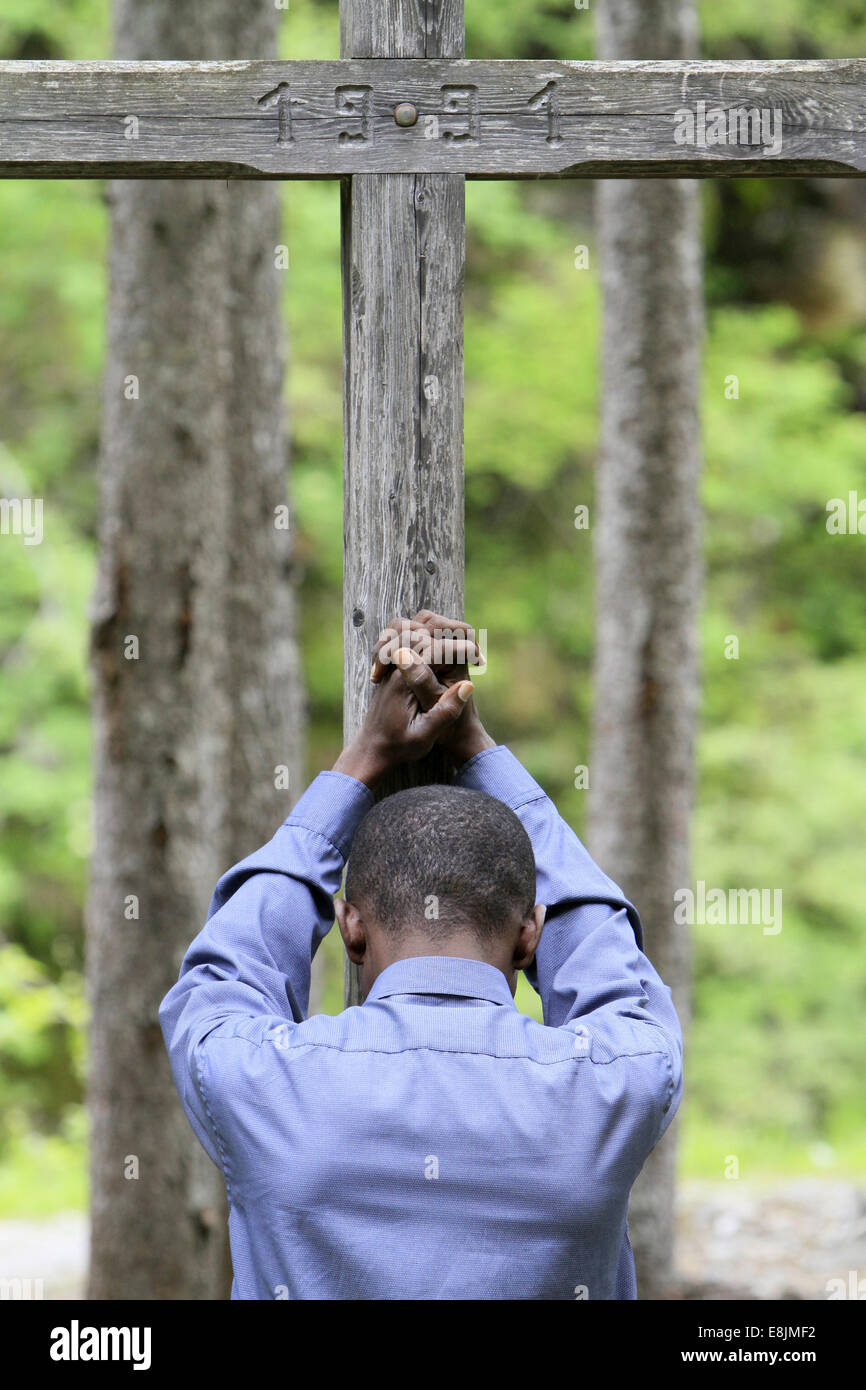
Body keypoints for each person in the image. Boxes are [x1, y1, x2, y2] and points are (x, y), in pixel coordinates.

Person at [159, 609, 683, 1300]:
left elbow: (229, 966)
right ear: (531, 934)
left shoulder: (257, 1079)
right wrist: (479, 750)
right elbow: (602, 946)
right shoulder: (618, 1080)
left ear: (350, 927)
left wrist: (361, 762)